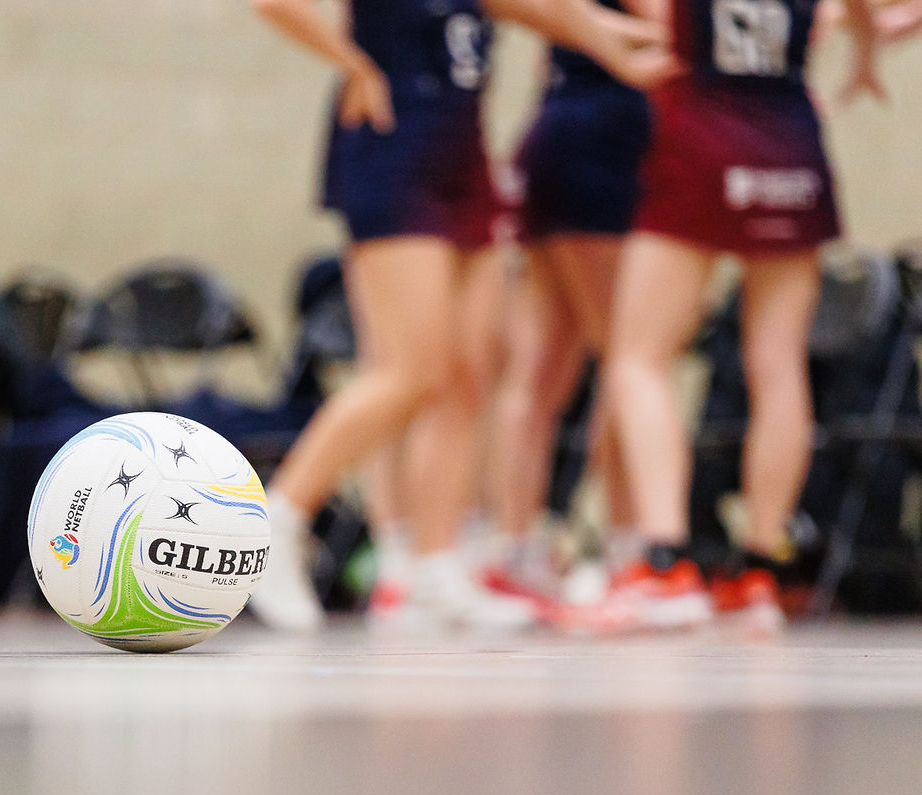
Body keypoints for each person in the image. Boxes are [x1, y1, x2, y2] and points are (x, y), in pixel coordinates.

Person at [248, 0, 676, 633]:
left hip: (462, 153)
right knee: (410, 371)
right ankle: (277, 520)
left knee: (469, 379)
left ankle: (438, 567)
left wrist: (621, 41)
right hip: (392, 142)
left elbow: (551, 11)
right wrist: (350, 62)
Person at [595, 0, 883, 632]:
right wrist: (864, 58)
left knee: (637, 359)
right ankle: (759, 568)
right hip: (792, 144)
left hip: (704, 139)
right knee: (779, 365)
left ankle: (666, 560)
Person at [486, 0, 660, 614]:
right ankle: (630, 550)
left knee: (543, 369)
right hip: (604, 139)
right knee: (630, 357)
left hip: (556, 132)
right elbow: (673, 27)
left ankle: (515, 552)